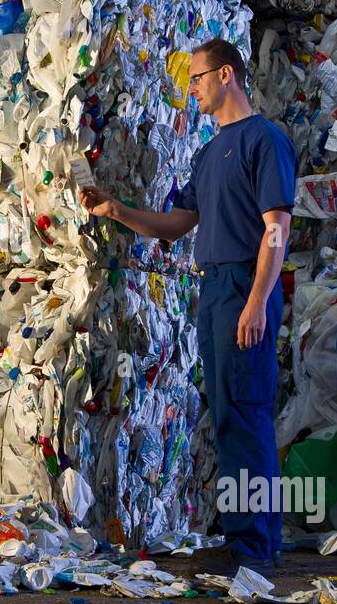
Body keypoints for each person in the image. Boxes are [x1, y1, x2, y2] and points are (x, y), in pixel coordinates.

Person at [79, 38, 297, 575]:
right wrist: (118, 211)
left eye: (197, 77)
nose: (191, 88)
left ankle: (258, 548)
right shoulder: (208, 151)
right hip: (214, 288)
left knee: (247, 413)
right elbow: (178, 224)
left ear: (227, 75)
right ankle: (244, 537)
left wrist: (258, 303)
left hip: (246, 285)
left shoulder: (263, 140)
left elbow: (277, 229)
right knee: (225, 416)